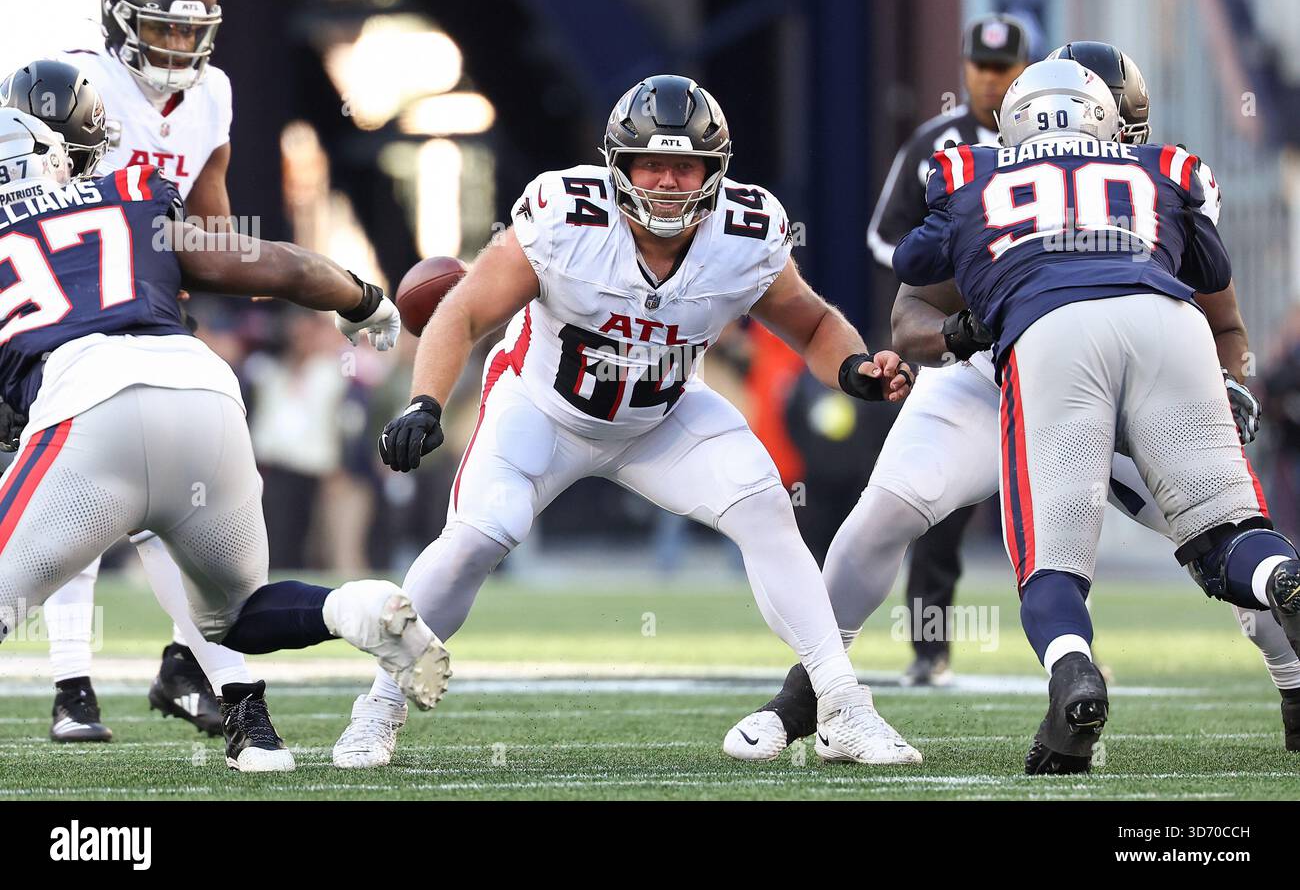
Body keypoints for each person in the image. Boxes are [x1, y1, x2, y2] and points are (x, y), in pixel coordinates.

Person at [723, 43, 1300, 769]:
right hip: (986, 375)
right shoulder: (1129, 178)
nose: (1128, 140)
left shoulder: (1079, 183)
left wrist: (1231, 377)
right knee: (884, 516)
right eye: (1126, 122)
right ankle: (810, 696)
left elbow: (1226, 323)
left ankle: (1292, 681)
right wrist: (964, 331)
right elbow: (911, 316)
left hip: (1094, 373)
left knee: (1210, 535)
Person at [329, 74, 919, 769]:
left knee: (763, 504)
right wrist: (426, 401)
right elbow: (463, 309)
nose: (669, 182)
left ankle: (843, 707)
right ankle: (379, 706)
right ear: (618, 166)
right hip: (541, 411)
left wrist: (852, 369)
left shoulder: (744, 230)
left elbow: (813, 323)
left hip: (660, 417)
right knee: (476, 541)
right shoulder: (565, 216)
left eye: (686, 165)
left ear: (714, 171)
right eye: (652, 164)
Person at [0, 107, 450, 772]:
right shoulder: (130, 196)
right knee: (235, 615)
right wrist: (362, 299)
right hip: (201, 390)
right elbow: (278, 267)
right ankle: (352, 608)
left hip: (86, 405)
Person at [890, 57, 1300, 773]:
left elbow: (912, 259)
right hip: (1169, 327)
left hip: (1053, 336)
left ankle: (1073, 679)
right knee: (1229, 534)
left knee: (1051, 561)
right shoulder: (1169, 169)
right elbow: (1209, 284)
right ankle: (1280, 579)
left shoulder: (968, 171)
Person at [39, 0, 245, 742]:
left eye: (189, 33)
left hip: (156, 311)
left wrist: (230, 266)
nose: (178, 49)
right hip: (70, 311)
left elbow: (211, 197)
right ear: (121, 24)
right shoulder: (73, 77)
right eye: (161, 32)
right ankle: (70, 685)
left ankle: (187, 664)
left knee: (186, 503)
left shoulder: (212, 92)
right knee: (79, 494)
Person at [867, 13, 1030, 685]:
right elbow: (886, 236)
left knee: (1066, 491)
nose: (990, 79)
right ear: (965, 68)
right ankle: (929, 648)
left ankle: (1071, 643)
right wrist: (954, 280)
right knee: (938, 500)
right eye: (981, 66)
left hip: (1046, 338)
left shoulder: (1054, 142)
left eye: (1003, 67)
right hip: (961, 345)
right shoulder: (936, 143)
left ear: (1024, 69)